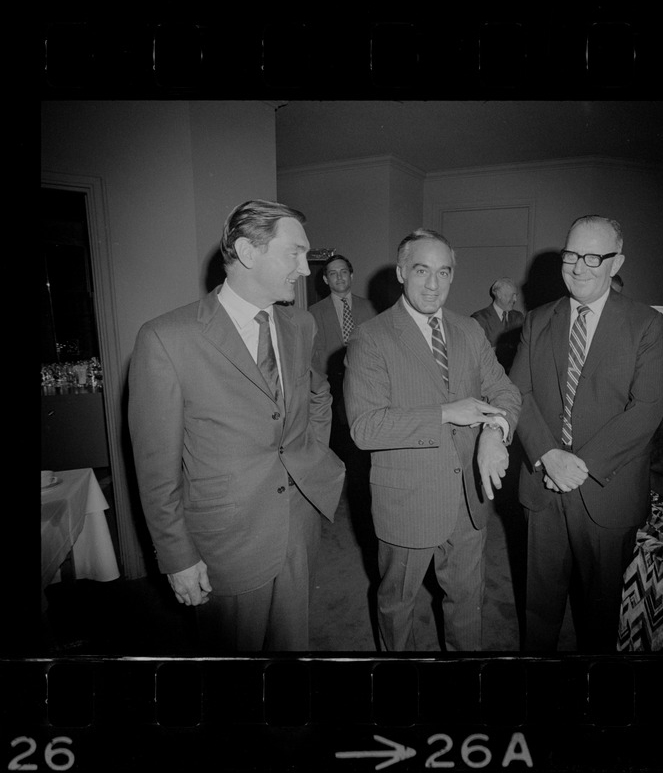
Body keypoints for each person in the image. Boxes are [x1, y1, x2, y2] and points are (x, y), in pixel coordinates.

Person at [128, 199, 346, 653]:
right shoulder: (167, 338)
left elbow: (318, 394)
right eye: (295, 253)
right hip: (226, 542)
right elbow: (155, 469)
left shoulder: (301, 323)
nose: (305, 269)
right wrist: (177, 556)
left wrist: (311, 457)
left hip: (298, 525)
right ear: (248, 252)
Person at [344, 228, 521, 652]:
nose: (433, 284)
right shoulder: (371, 337)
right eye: (422, 271)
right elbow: (366, 427)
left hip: (468, 498)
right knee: (397, 604)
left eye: (443, 272)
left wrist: (494, 432)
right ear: (401, 272)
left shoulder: (469, 330)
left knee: (467, 602)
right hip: (409, 501)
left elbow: (505, 392)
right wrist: (445, 412)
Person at [508, 214, 663, 653]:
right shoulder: (538, 320)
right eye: (571, 255)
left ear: (617, 263)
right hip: (543, 483)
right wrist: (548, 454)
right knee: (538, 608)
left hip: (607, 489)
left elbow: (647, 408)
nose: (579, 267)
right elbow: (517, 391)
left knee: (600, 613)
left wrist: (580, 465)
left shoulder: (645, 323)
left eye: (593, 257)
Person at [309, 254, 376, 450]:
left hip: (366, 385)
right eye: (333, 273)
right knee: (338, 444)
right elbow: (313, 357)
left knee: (364, 443)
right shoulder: (313, 312)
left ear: (351, 276)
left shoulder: (371, 308)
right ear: (325, 279)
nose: (339, 277)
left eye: (343, 272)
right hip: (332, 389)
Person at [470, 277, 525, 372]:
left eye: (516, 295)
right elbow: (476, 353)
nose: (515, 299)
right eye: (512, 295)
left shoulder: (518, 317)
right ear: (499, 294)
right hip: (490, 373)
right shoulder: (480, 318)